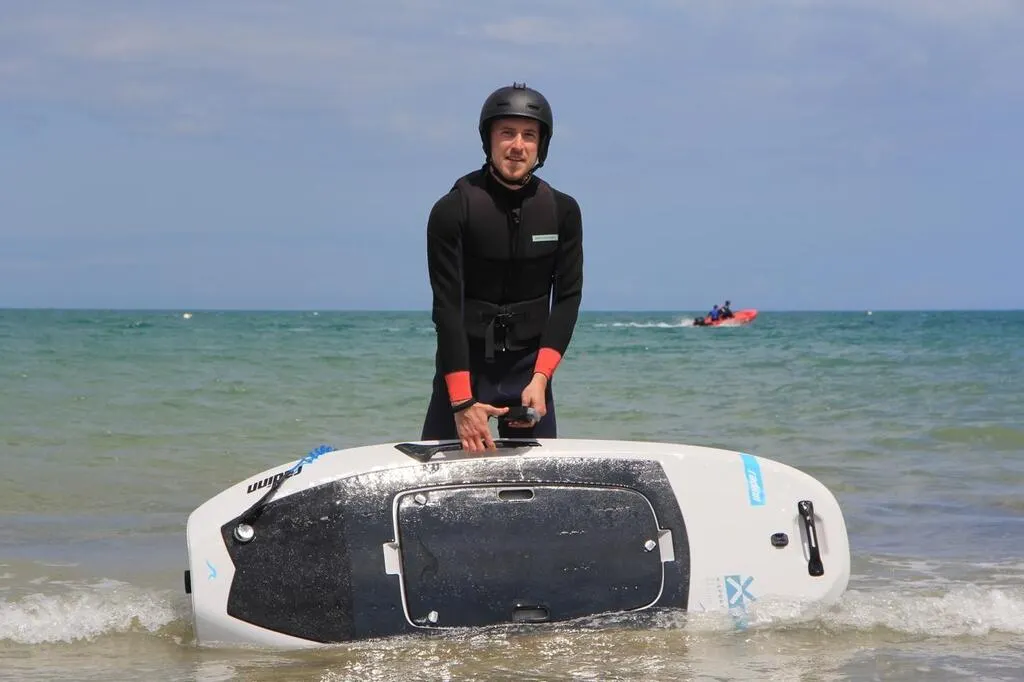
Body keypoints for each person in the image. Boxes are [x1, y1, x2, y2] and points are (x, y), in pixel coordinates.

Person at [420, 82, 584, 453]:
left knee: (532, 491)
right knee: (442, 487)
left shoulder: (562, 211)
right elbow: (447, 307)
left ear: (541, 144)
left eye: (529, 135)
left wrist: (541, 377)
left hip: (529, 372)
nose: (517, 145)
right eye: (506, 133)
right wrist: (461, 402)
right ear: (489, 139)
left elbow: (568, 298)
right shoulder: (452, 210)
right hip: (465, 366)